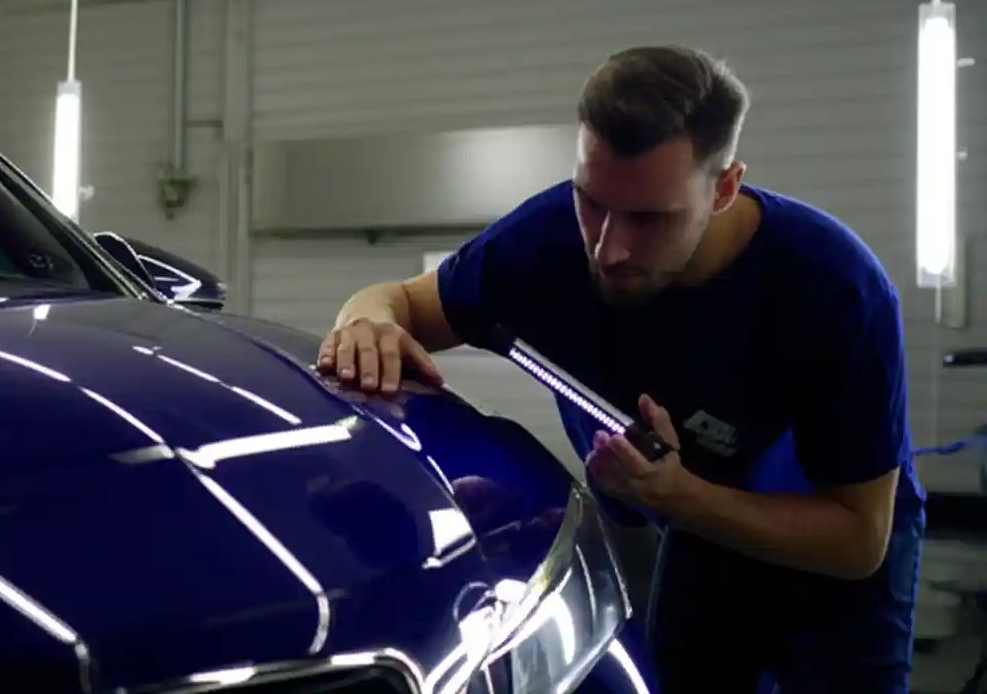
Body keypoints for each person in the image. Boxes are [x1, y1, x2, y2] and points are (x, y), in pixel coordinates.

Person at [318, 45, 926, 693]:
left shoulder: (834, 290)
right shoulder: (549, 239)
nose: (608, 248)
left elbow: (859, 539)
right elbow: (404, 301)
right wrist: (365, 319)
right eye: (592, 202)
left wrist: (679, 495)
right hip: (695, 536)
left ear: (723, 187)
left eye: (648, 218)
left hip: (826, 560)